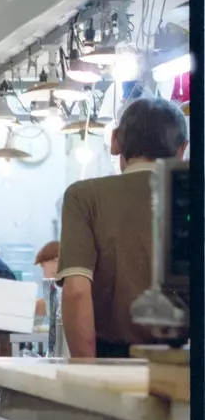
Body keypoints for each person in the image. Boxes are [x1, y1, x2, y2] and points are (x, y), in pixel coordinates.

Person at [58, 94, 188, 359]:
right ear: (182, 149)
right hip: (186, 368)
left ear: (115, 140)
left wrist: (87, 375)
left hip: (113, 363)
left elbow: (75, 292)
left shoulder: (85, 196)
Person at [35, 240, 63, 358]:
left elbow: (45, 307)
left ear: (56, 260)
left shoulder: (63, 291)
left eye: (43, 266)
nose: (43, 271)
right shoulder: (57, 289)